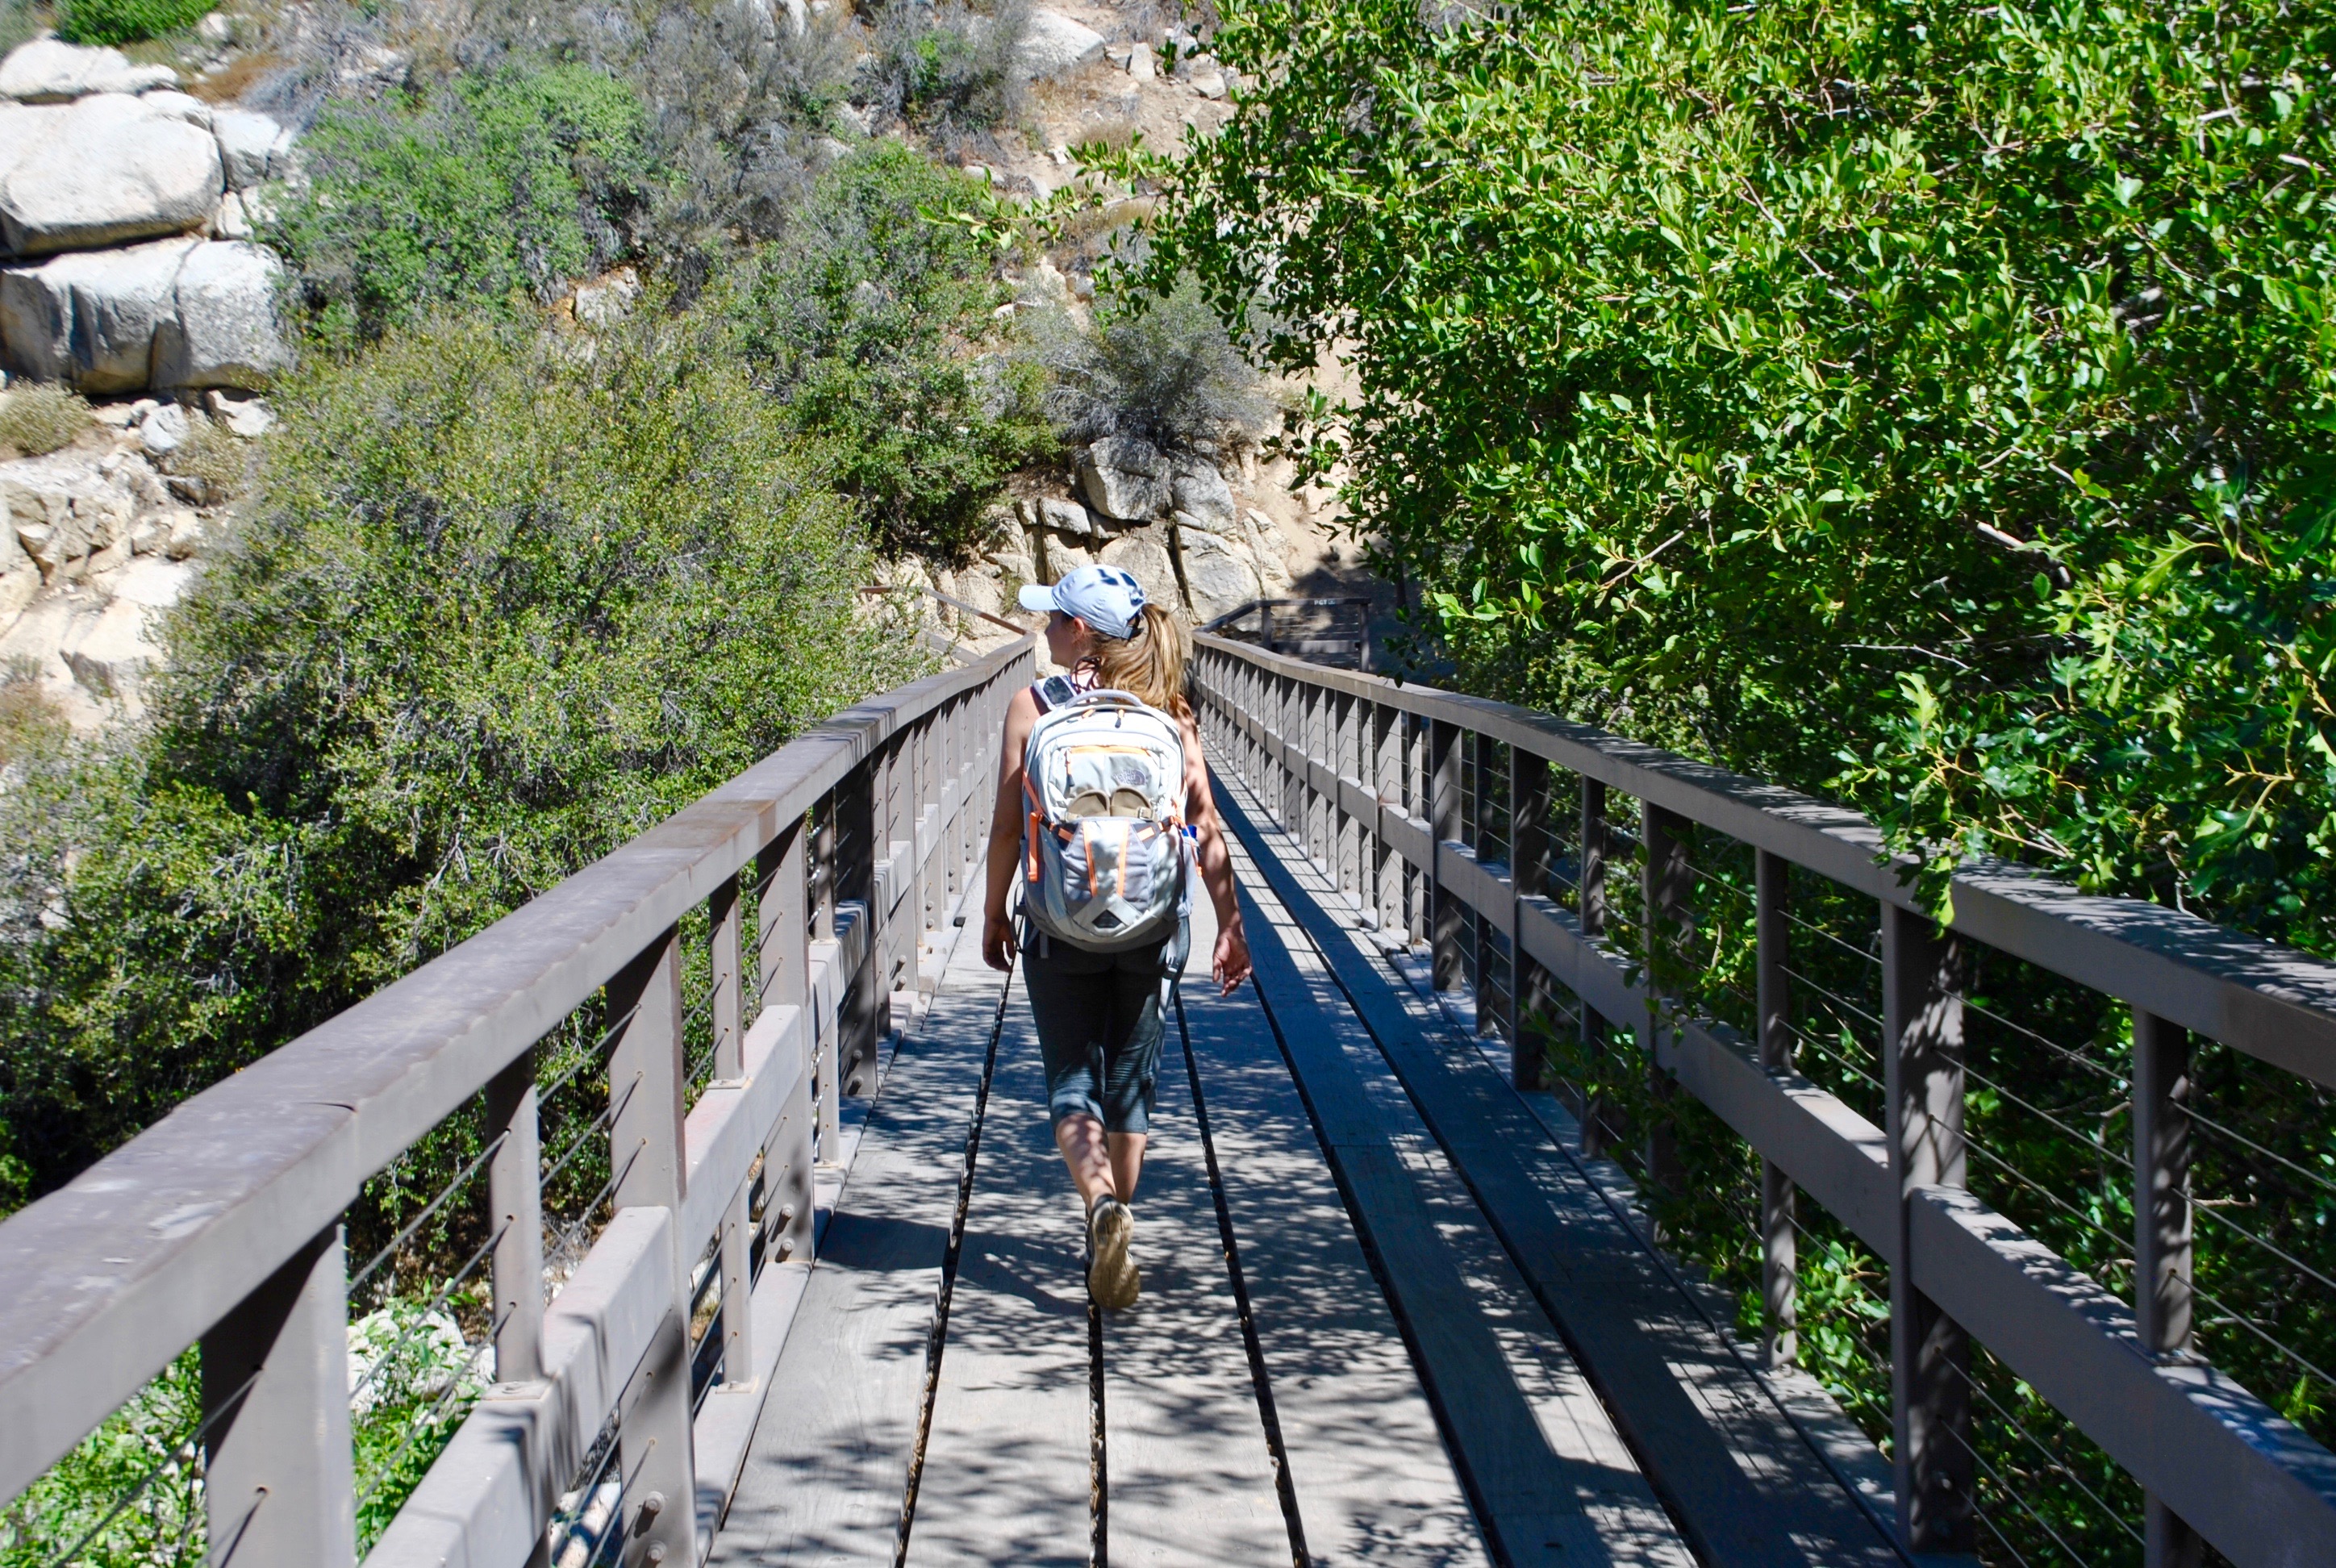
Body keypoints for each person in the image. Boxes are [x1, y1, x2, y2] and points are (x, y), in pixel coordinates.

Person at [982, 564, 1252, 1311]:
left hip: (1056, 922)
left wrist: (993, 911)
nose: (1043, 628)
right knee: (1131, 1086)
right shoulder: (1171, 711)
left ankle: (1098, 1205)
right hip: (1152, 925)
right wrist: (1230, 925)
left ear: (1079, 634)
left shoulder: (1031, 707)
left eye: (1053, 618)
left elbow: (1009, 826)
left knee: (1072, 1081)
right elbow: (1205, 830)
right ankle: (1119, 1212)